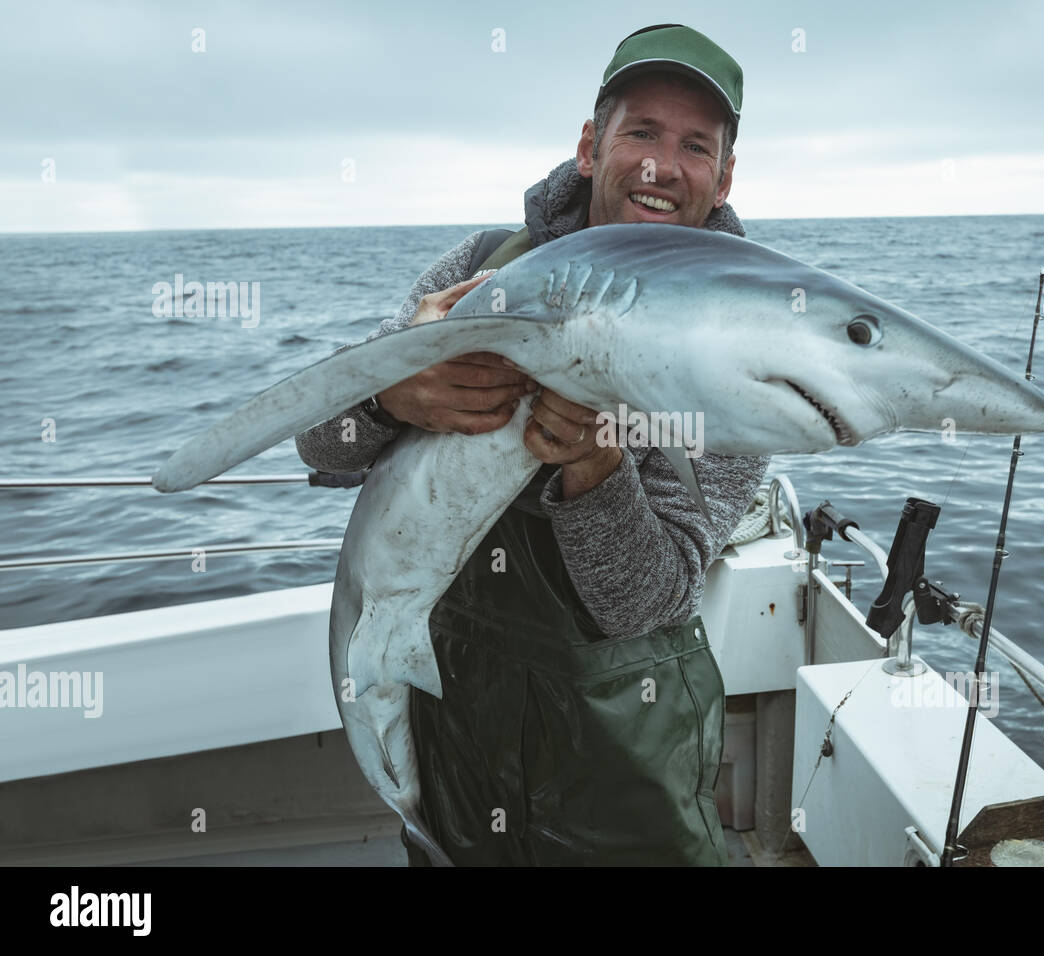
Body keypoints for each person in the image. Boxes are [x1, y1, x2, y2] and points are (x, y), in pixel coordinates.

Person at [295, 23, 769, 866]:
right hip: (456, 718)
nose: (663, 166)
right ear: (591, 146)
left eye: (695, 145)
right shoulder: (479, 266)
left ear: (724, 176)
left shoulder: (737, 353)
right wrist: (387, 390)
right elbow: (321, 448)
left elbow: (646, 605)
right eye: (641, 132)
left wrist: (596, 465)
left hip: (623, 745)